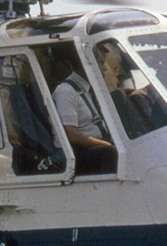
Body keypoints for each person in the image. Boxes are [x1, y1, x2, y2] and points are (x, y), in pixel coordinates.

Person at [45, 47, 118, 175]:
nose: (105, 68)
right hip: (79, 154)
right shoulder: (66, 92)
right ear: (86, 65)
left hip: (96, 147)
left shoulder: (85, 89)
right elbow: (72, 135)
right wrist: (107, 145)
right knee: (111, 153)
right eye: (101, 63)